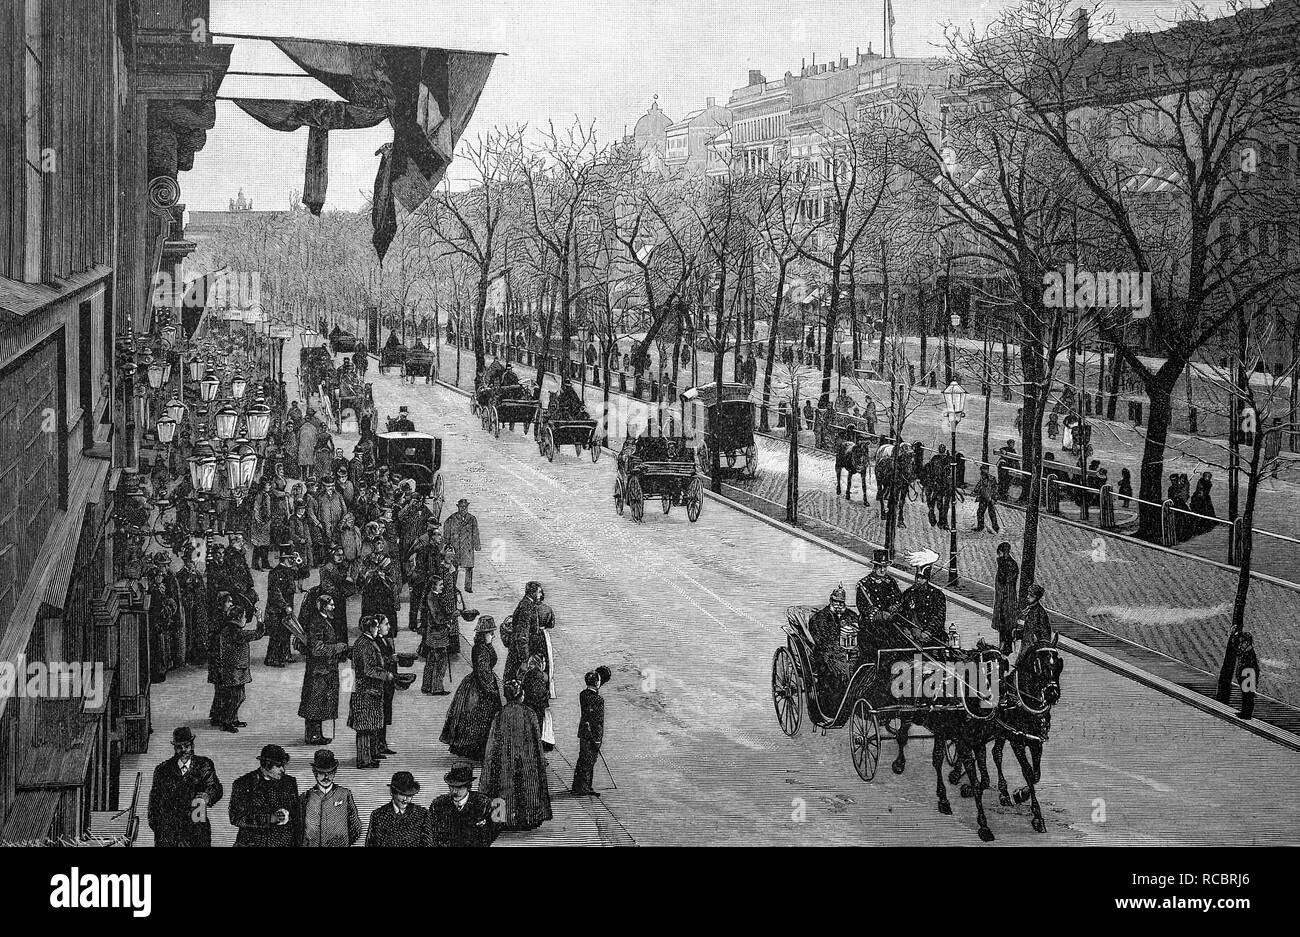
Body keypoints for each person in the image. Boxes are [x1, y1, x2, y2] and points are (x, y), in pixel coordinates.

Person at [481, 680, 553, 831]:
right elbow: (537, 741)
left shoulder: (499, 715)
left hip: (504, 760)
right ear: (521, 695)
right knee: (528, 786)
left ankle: (500, 818)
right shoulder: (530, 713)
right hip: (527, 758)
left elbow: (492, 743)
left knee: (502, 785)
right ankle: (530, 817)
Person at [147, 727, 224, 847]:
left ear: (192, 745)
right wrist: (160, 829)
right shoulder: (162, 770)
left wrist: (208, 796)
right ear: (174, 747)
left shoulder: (204, 765)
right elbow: (154, 802)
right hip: (169, 832)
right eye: (179, 747)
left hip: (197, 829)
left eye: (186, 746)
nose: (183, 750)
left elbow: (215, 787)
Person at [441, 616, 502, 761]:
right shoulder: (480, 649)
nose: (493, 636)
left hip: (480, 682)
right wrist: (491, 690)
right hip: (480, 687)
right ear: (483, 634)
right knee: (478, 717)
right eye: (490, 633)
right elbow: (482, 672)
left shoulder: (484, 647)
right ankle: (475, 750)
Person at [208, 592, 266, 732]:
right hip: (230, 667)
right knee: (233, 695)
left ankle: (230, 719)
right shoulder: (231, 629)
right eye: (229, 601)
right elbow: (257, 634)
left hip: (231, 666)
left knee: (233, 695)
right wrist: (259, 619)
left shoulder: (231, 625)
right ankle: (226, 721)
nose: (231, 604)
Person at [299, 594, 349, 745]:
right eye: (331, 605)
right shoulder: (318, 622)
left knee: (320, 702)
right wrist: (337, 647)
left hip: (325, 668)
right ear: (322, 606)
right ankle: (313, 736)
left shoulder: (324, 620)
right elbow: (317, 649)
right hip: (319, 670)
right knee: (315, 702)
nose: (333, 607)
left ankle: (317, 734)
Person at [229, 744, 301, 848]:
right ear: (266, 765)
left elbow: (297, 817)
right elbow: (236, 818)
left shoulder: (289, 782)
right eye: (278, 766)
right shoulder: (243, 783)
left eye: (283, 765)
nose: (283, 770)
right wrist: (269, 819)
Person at [806, 585, 859, 713]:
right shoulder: (819, 618)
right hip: (828, 654)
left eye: (842, 602)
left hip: (850, 652)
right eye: (836, 602)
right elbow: (820, 642)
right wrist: (838, 648)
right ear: (831, 601)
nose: (839, 605)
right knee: (841, 671)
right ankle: (836, 706)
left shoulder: (851, 615)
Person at [349, 615, 392, 769]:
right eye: (376, 627)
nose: (378, 630)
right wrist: (386, 675)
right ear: (371, 628)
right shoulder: (365, 644)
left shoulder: (366, 642)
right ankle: (364, 760)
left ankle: (372, 754)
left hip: (371, 690)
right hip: (366, 690)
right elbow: (369, 669)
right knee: (365, 728)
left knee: (372, 725)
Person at [298, 749, 362, 848]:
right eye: (321, 772)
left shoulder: (344, 795)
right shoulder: (305, 798)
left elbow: (355, 828)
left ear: (335, 772)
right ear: (314, 772)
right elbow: (298, 829)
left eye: (330, 772)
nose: (326, 776)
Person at [429, 764, 496, 847]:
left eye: (459, 787)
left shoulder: (483, 804)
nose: (454, 791)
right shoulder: (438, 805)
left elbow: (492, 831)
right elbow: (431, 833)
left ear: (469, 787)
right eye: (452, 786)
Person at [854, 550, 902, 663]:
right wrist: (878, 615)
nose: (883, 570)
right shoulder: (864, 584)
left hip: (889, 622)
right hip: (871, 625)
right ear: (874, 567)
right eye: (880, 567)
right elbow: (862, 606)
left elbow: (898, 599)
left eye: (885, 567)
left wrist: (894, 607)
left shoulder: (890, 581)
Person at [571, 666, 610, 796]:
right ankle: (584, 787)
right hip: (593, 734)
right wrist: (598, 739)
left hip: (583, 732)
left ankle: (579, 786)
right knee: (590, 760)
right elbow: (598, 722)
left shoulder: (583, 694)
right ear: (597, 683)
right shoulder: (598, 700)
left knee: (583, 758)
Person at [365, 772, 431, 847]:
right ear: (392, 792)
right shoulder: (378, 815)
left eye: (409, 795)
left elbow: (427, 844)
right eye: (402, 794)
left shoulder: (422, 814)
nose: (405, 799)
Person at [896, 557, 947, 646]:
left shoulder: (937, 595)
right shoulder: (908, 593)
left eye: (922, 578)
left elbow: (939, 617)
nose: (918, 580)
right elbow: (901, 613)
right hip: (910, 636)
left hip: (930, 636)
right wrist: (905, 628)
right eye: (917, 577)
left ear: (927, 579)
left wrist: (928, 631)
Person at [263, 547, 300, 668]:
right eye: (291, 558)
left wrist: (300, 560)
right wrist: (285, 606)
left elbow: (304, 573)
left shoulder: (290, 570)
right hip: (276, 609)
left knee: (286, 633)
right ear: (284, 558)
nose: (292, 560)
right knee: (276, 634)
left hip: (286, 608)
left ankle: (285, 655)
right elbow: (275, 592)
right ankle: (272, 659)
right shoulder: (275, 572)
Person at [505, 581, 545, 683]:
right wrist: (524, 659)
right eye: (539, 592)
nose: (541, 595)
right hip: (520, 653)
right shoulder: (526, 607)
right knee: (516, 680)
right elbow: (522, 635)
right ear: (532, 593)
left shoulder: (527, 604)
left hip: (520, 651)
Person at [176, 550, 209, 667]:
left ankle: (200, 656)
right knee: (189, 632)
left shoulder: (198, 574)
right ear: (186, 562)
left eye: (195, 561)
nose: (194, 564)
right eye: (191, 561)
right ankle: (189, 657)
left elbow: (202, 591)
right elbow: (179, 593)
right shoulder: (180, 575)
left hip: (199, 608)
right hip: (188, 610)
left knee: (200, 631)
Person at [443, 498, 482, 593]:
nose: (463, 509)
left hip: (467, 547)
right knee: (454, 567)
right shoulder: (452, 518)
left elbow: (475, 533)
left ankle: (468, 587)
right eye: (461, 507)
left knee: (469, 568)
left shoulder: (472, 519)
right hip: (456, 547)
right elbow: (446, 529)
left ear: (467, 507)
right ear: (458, 507)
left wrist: (477, 545)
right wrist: (447, 542)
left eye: (465, 507)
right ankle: (452, 585)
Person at [1013, 584, 1053, 667]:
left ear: (1037, 598)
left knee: (1021, 666)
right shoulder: (1032, 610)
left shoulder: (1039, 612)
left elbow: (1044, 634)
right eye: (1028, 594)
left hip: (1032, 648)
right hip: (1027, 645)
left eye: (1031, 595)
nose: (1028, 597)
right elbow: (1029, 630)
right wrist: (1017, 634)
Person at [521, 653, 554, 752]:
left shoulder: (528, 674)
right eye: (543, 662)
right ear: (539, 663)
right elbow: (540, 693)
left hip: (528, 704)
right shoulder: (539, 675)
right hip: (537, 707)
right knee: (537, 729)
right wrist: (547, 695)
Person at [992, 541, 1020, 655]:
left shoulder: (1006, 565)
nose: (997, 556)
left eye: (999, 553)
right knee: (1004, 625)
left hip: (1006, 600)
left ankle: (1005, 647)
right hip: (1006, 599)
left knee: (1005, 625)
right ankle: (1004, 645)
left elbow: (1004, 582)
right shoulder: (1008, 564)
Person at [1236, 632, 1259, 720]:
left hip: (1248, 677)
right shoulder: (1246, 652)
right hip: (1246, 677)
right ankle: (1244, 712)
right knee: (1245, 695)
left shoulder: (1249, 653)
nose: (1241, 644)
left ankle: (1246, 714)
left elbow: (1252, 668)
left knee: (1248, 696)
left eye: (1242, 642)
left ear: (1247, 642)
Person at [971, 465, 1000, 533]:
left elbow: (995, 489)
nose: (983, 472)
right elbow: (979, 485)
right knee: (980, 512)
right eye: (982, 470)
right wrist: (975, 491)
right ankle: (980, 527)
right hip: (983, 498)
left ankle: (996, 528)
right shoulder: (982, 478)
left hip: (990, 498)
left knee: (991, 513)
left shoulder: (992, 479)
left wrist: (994, 499)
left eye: (984, 470)